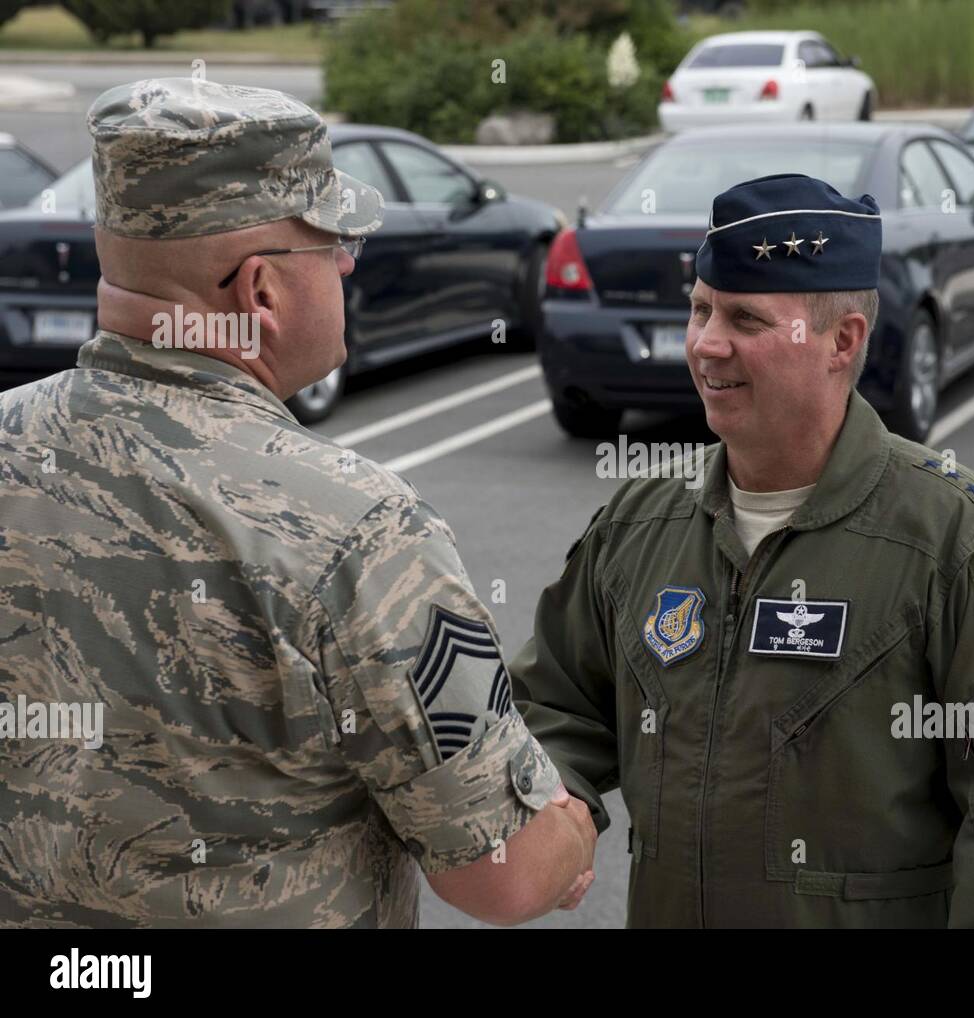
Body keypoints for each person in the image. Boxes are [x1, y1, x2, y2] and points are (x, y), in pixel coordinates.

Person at [0, 77, 594, 928]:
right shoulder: (354, 529)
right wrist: (572, 826)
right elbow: (501, 874)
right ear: (261, 293)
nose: (350, 261)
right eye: (333, 241)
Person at [513, 173, 974, 928]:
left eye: (747, 319)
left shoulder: (959, 546)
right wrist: (557, 809)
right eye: (700, 309)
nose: (706, 343)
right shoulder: (639, 523)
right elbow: (558, 701)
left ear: (842, 340)